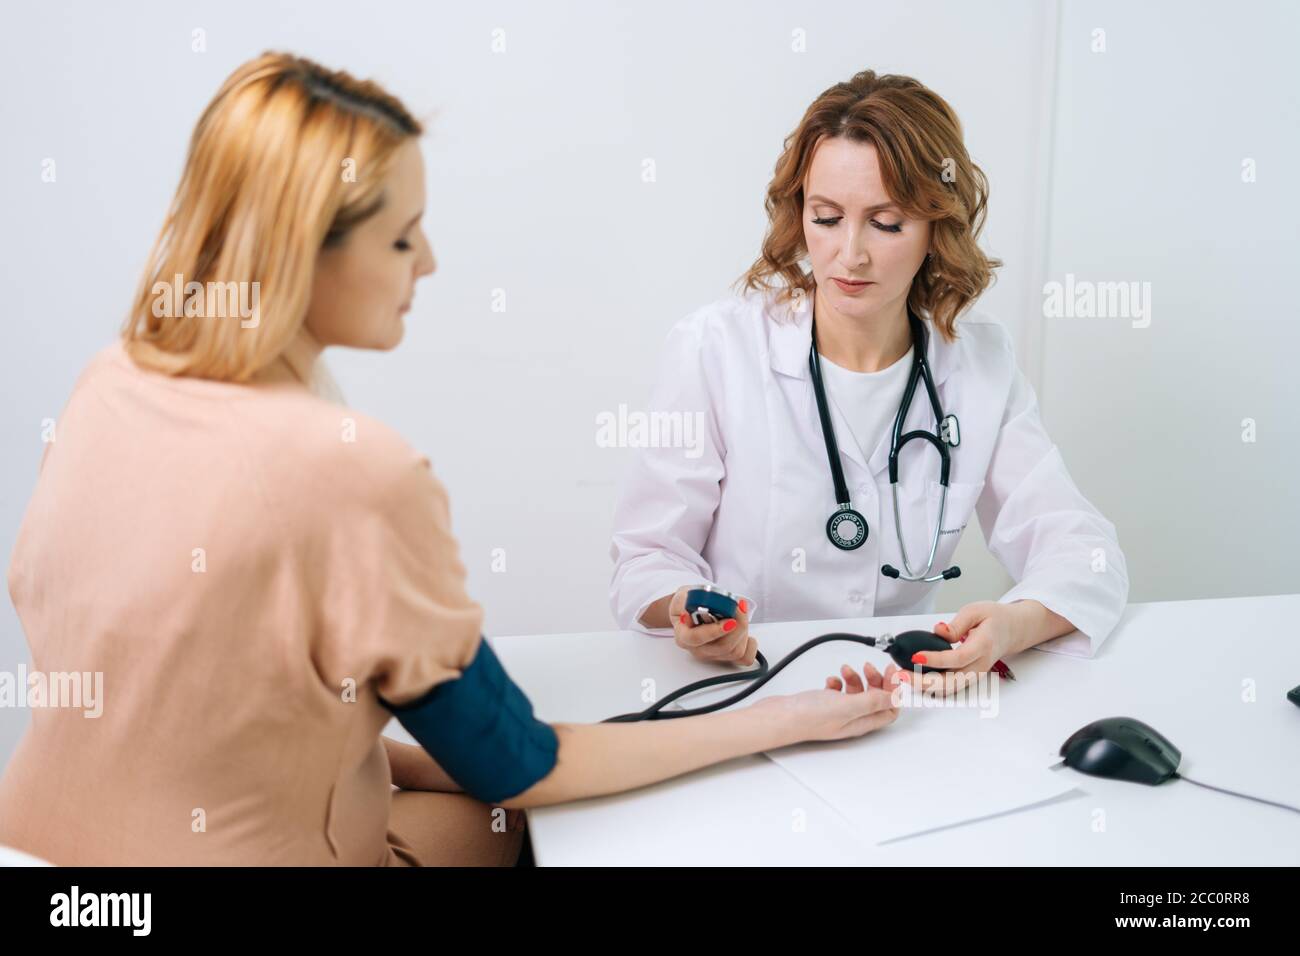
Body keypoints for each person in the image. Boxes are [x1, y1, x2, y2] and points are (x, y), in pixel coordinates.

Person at [0, 53, 902, 867]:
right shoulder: (356, 474)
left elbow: (183, 699)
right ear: (301, 252)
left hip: (43, 853)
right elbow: (520, 767)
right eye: (400, 237)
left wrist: (397, 765)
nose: (428, 263)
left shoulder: (107, 384)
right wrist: (781, 720)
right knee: (523, 829)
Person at [609, 70, 1130, 693]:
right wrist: (681, 606)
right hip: (745, 690)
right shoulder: (715, 350)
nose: (849, 254)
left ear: (938, 226)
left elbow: (1082, 550)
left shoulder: (978, 360)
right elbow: (645, 557)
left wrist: (1013, 626)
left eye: (886, 224)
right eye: (826, 217)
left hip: (901, 695)